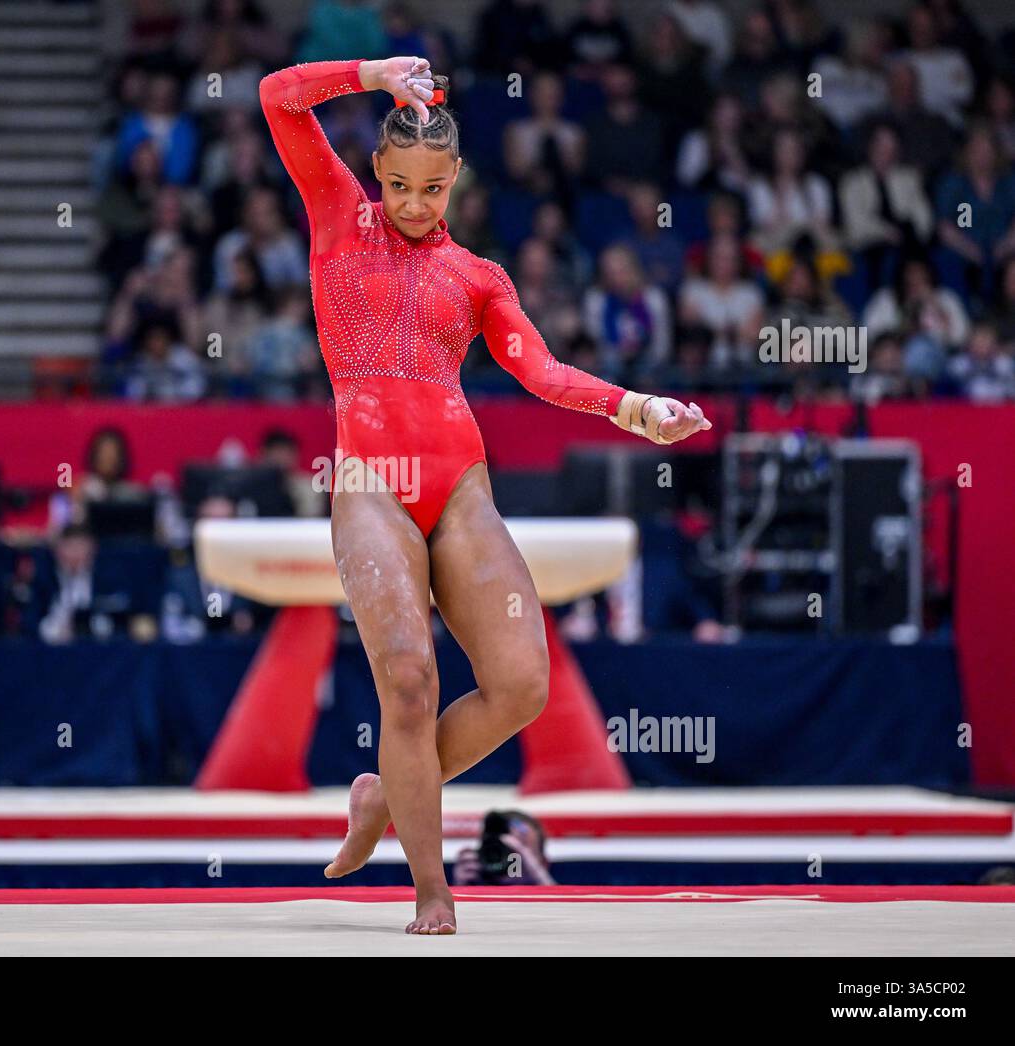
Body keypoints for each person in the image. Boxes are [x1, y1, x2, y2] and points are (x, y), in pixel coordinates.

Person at [259, 56, 711, 935]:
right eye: (397, 184)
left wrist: (637, 407)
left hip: (459, 487)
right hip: (372, 483)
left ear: (455, 179)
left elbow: (538, 371)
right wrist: (371, 73)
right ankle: (433, 887)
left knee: (520, 683)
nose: (414, 204)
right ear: (377, 173)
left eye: (431, 188)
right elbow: (278, 97)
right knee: (408, 675)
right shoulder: (337, 220)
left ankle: (382, 797)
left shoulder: (480, 276)